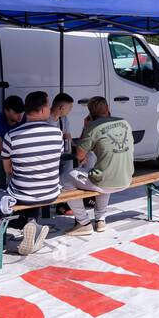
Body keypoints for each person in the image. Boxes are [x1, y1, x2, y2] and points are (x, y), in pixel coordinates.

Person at [1, 91, 64, 254]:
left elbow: (7, 169)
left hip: (23, 194)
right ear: (43, 110)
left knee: (9, 189)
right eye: (49, 107)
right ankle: (32, 225)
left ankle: (27, 225)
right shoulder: (58, 134)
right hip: (51, 192)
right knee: (33, 186)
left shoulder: (11, 135)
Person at [62, 96, 134, 235]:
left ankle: (83, 222)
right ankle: (100, 220)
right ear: (108, 109)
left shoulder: (92, 127)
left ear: (90, 113)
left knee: (65, 177)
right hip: (126, 178)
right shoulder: (124, 123)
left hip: (107, 181)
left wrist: (86, 126)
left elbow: (79, 156)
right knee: (102, 171)